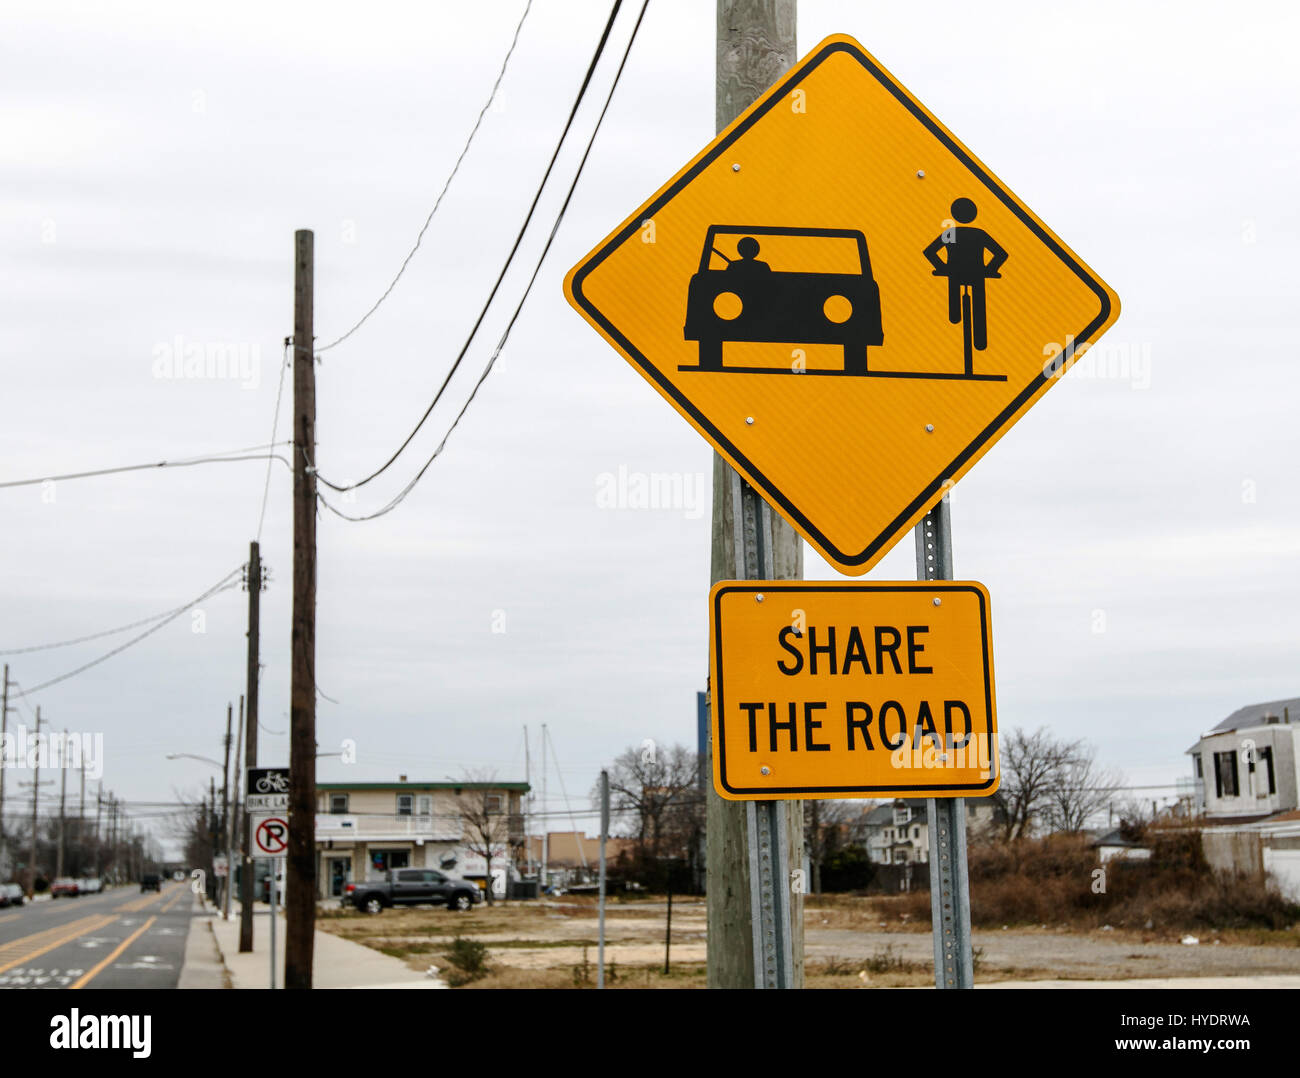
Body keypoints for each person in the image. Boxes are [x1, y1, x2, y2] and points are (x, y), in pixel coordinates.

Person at [922, 198, 1007, 351]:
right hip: (976, 275)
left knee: (957, 309)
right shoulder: (978, 234)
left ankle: (974, 337)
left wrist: (943, 267)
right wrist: (989, 269)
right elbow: (1001, 254)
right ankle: (978, 340)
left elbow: (930, 252)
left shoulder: (951, 233)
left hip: (955, 274)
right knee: (975, 309)